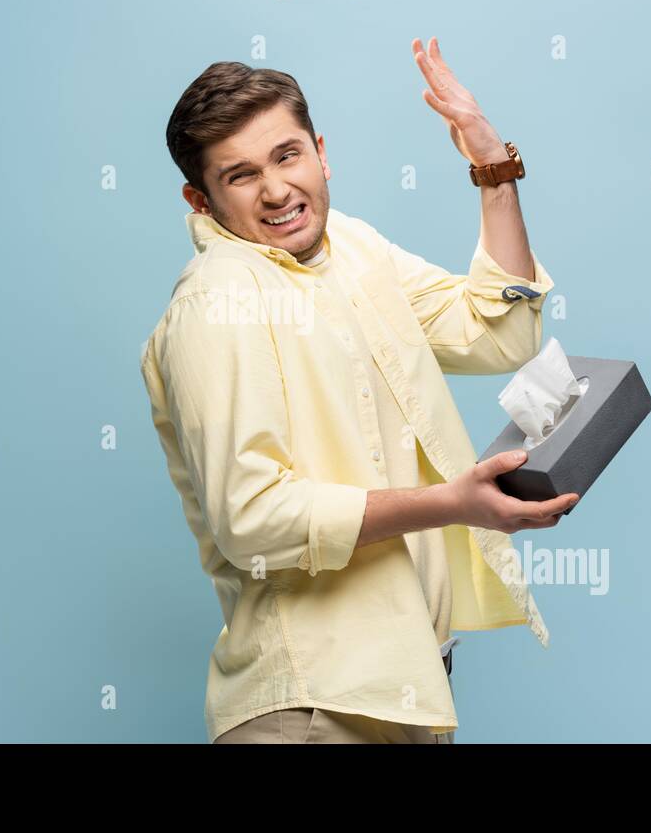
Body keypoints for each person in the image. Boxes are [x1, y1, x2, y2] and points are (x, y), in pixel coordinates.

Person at [140, 38, 579, 744]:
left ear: (320, 151)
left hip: (409, 694)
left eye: (287, 156)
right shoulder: (218, 298)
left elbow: (498, 332)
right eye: (241, 175)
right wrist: (452, 503)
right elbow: (250, 514)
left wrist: (493, 167)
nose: (278, 190)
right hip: (312, 710)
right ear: (202, 200)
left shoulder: (354, 250)